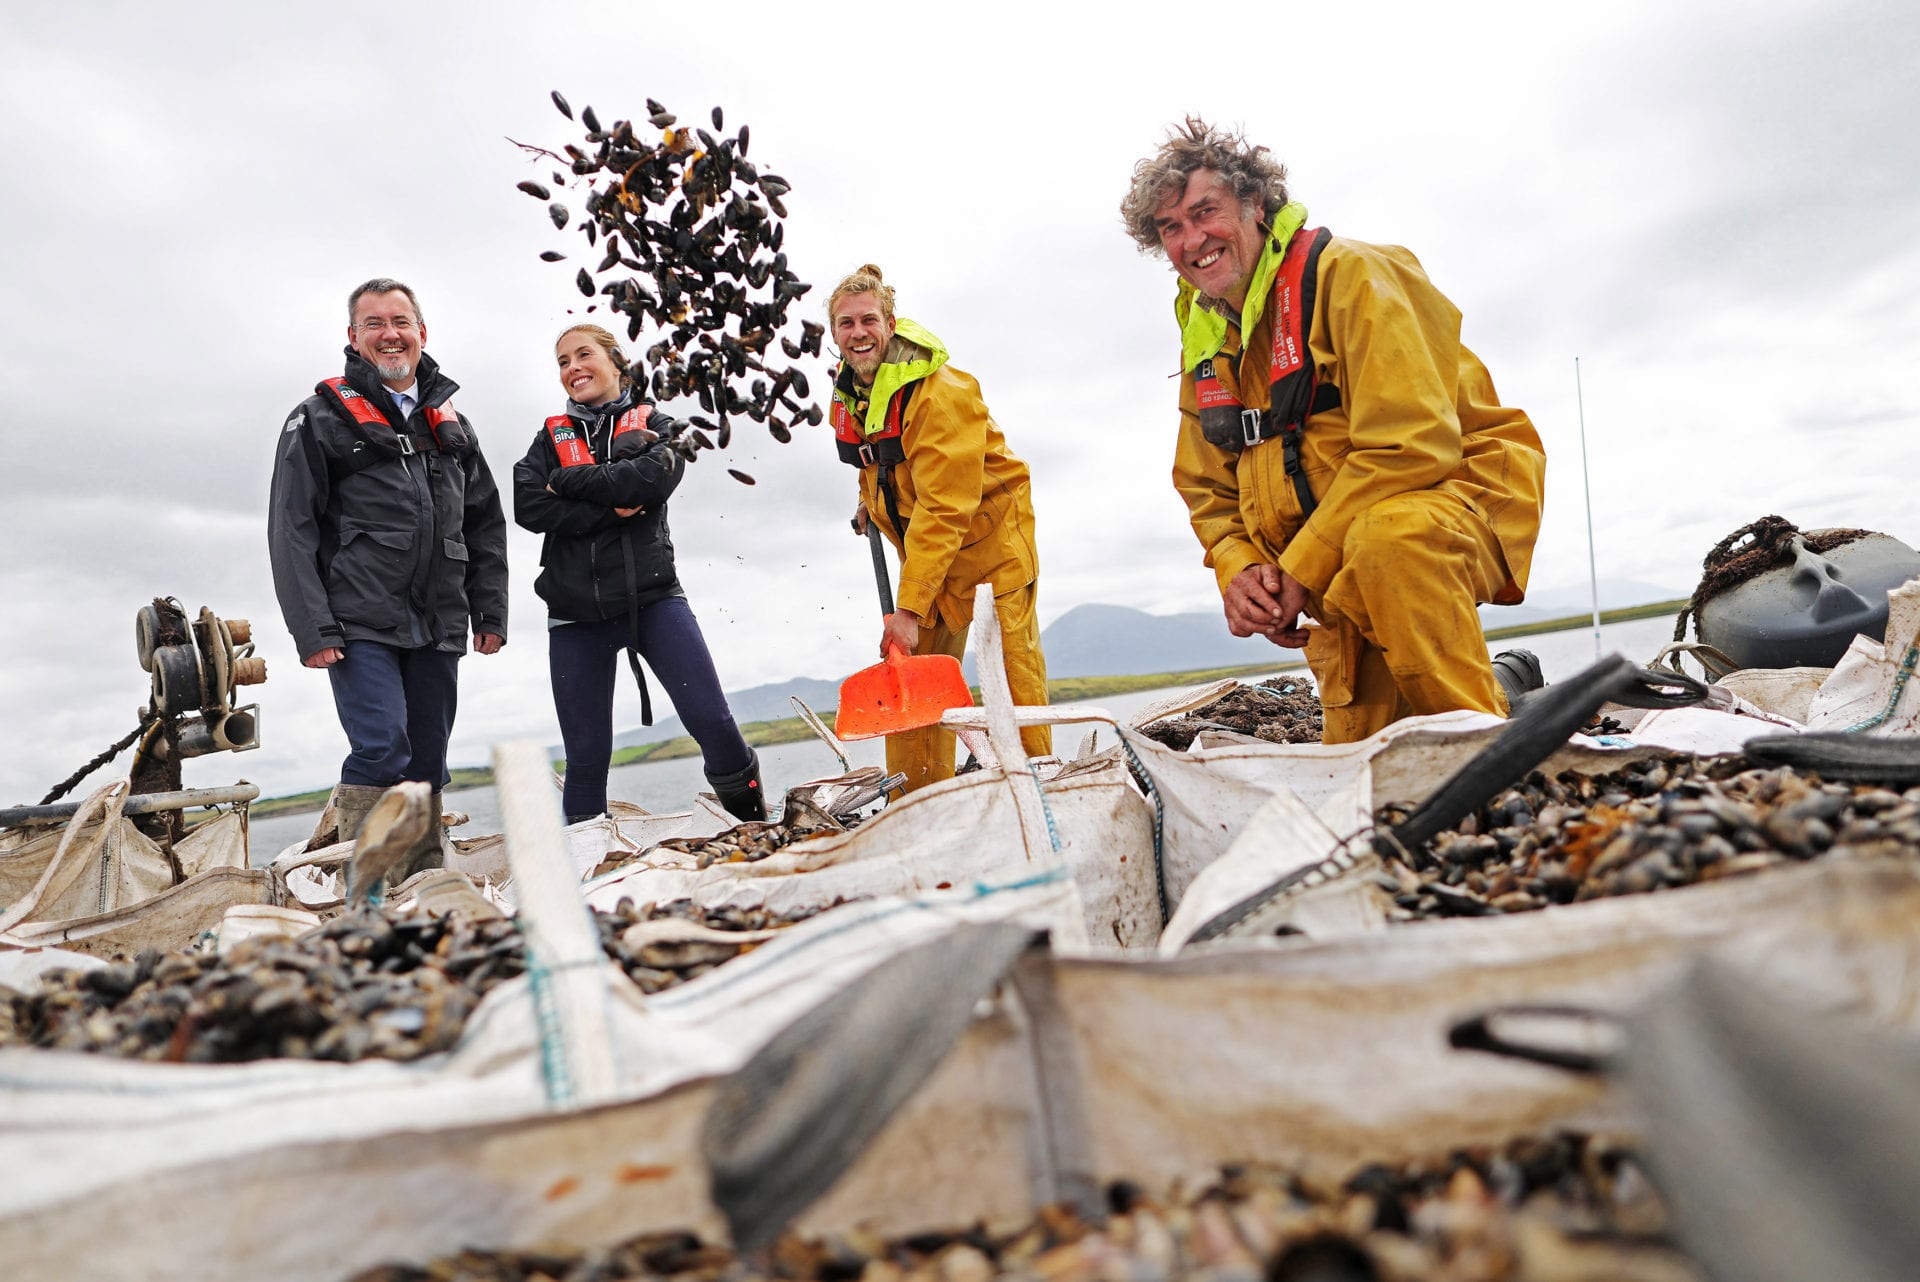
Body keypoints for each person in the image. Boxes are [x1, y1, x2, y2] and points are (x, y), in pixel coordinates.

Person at [1120, 120, 1548, 743]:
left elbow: (1412, 443)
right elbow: (1204, 489)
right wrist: (1240, 572)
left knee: (1391, 543)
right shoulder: (1209, 340)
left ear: (1255, 205)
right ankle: (1499, 702)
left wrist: (1298, 567)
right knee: (1361, 767)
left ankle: (1491, 759)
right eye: (1171, 228)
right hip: (1336, 567)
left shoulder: (1352, 274)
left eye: (1205, 212)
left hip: (1450, 508)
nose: (1193, 239)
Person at [269, 277, 509, 874]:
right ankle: (367, 889)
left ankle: (424, 884)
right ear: (353, 338)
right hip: (358, 620)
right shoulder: (317, 418)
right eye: (374, 324)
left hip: (440, 618)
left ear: (421, 333)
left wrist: (491, 610)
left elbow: (484, 523)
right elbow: (290, 529)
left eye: (400, 321)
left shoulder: (454, 424)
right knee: (381, 750)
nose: (389, 334)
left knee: (428, 758)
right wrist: (313, 629)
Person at [512, 324, 765, 825]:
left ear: (617, 363)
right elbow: (527, 505)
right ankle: (586, 867)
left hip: (654, 601)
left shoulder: (661, 424)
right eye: (562, 361)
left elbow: (650, 480)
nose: (572, 368)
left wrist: (565, 481)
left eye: (583, 355)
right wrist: (609, 510)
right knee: (585, 758)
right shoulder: (548, 438)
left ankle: (757, 824)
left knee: (713, 723)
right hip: (573, 616)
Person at [825, 265, 1050, 793]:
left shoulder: (939, 392)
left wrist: (907, 608)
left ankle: (1042, 779)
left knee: (1009, 671)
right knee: (914, 665)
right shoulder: (857, 388)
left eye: (868, 320)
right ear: (833, 334)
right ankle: (917, 794)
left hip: (991, 545)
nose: (858, 333)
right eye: (845, 323)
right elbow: (879, 459)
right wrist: (869, 503)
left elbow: (947, 505)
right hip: (930, 553)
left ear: (891, 323)